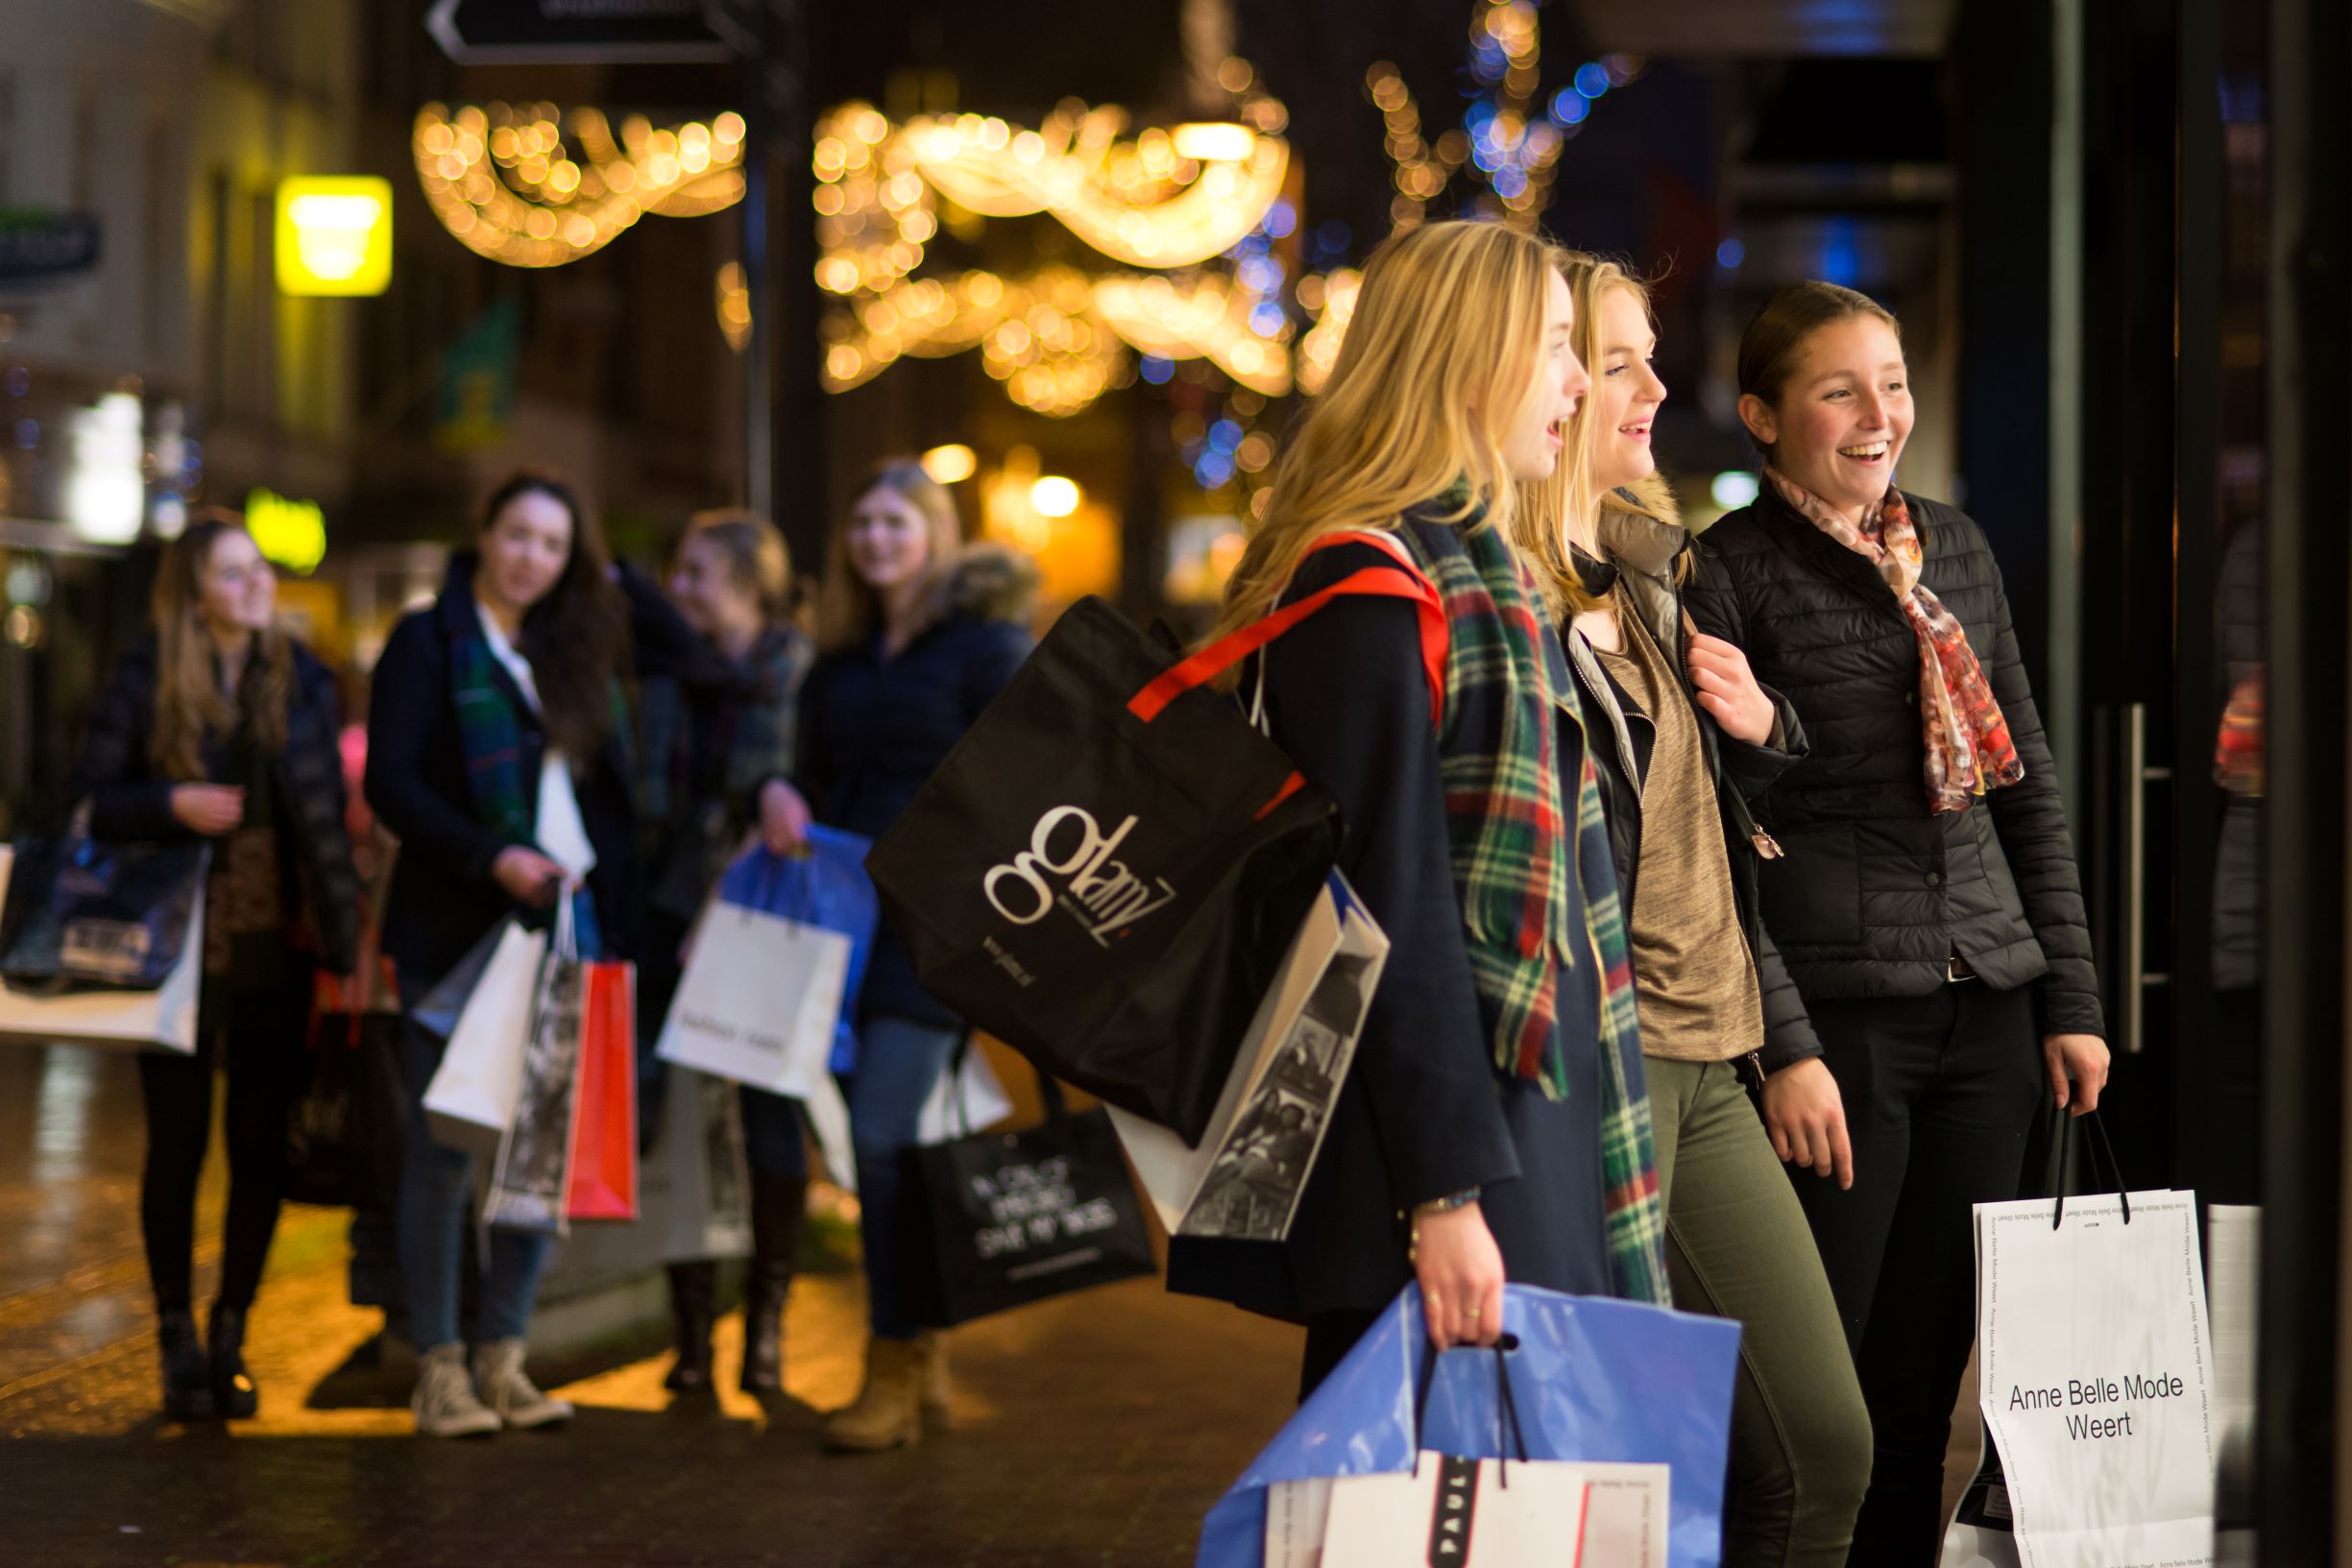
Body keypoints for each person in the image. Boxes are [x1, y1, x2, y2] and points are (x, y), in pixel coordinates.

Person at [1165, 219, 1672, 1399]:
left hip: (1513, 1106)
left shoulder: (1477, 567)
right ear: (1467, 361)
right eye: (1555, 346)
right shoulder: (1372, 579)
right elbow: (1389, 905)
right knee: (1434, 1476)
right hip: (1447, 1145)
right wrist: (1443, 1196)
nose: (1573, 383)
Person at [1686, 281, 2110, 1563]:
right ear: (1763, 416)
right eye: (1839, 391)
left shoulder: (1955, 549)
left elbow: (2023, 783)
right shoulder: (1726, 574)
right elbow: (1716, 837)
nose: (1880, 416)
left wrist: (2071, 998)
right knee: (1822, 1403)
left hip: (1990, 1011)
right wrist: (1787, 1044)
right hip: (1844, 1029)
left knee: (1929, 1389)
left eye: (1894, 382)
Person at [1515, 253, 1872, 1564]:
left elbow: (1703, 833)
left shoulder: (1644, 575)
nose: (1656, 389)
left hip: (1714, 1054)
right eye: (1616, 362)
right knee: (1594, 1475)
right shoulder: (1508, 599)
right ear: (1542, 382)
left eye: (1647, 358)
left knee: (1824, 1445)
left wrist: (1759, 730)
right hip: (1603, 1060)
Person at [366, 470, 691, 1438]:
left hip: (568, 927)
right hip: (456, 927)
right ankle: (439, 1369)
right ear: (484, 530)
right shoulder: (428, 641)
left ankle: (503, 1359)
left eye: (554, 544)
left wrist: (613, 577)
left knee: (535, 1151)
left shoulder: (571, 644)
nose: (531, 558)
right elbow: (390, 784)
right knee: (444, 1151)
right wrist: (490, 856)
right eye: (517, 535)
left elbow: (688, 655)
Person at [758, 460, 1037, 1450]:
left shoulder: (985, 644)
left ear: (934, 532)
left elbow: (1030, 775)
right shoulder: (838, 659)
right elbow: (813, 774)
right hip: (841, 922)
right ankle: (926, 1345)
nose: (875, 538)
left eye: (895, 521)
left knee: (878, 1134)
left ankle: (890, 1358)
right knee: (893, 1147)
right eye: (862, 522)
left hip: (940, 923)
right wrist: (777, 794)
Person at [69, 511, 363, 1420]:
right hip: (178, 945)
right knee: (178, 1147)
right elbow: (88, 800)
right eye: (232, 572)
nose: (255, 583)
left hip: (277, 942)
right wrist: (172, 801)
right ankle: (175, 1336)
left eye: (258, 568)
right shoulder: (148, 673)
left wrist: (346, 941)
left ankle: (232, 1327)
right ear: (193, 591)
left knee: (259, 1148)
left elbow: (327, 820)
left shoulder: (302, 677)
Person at [638, 508, 814, 1395]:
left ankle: (767, 1326)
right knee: (688, 1117)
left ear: (746, 581)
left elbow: (793, 791)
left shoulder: (795, 669)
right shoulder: (672, 669)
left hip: (769, 913)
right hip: (673, 908)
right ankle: (693, 1335)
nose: (680, 588)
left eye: (696, 572)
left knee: (770, 1115)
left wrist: (729, 889)